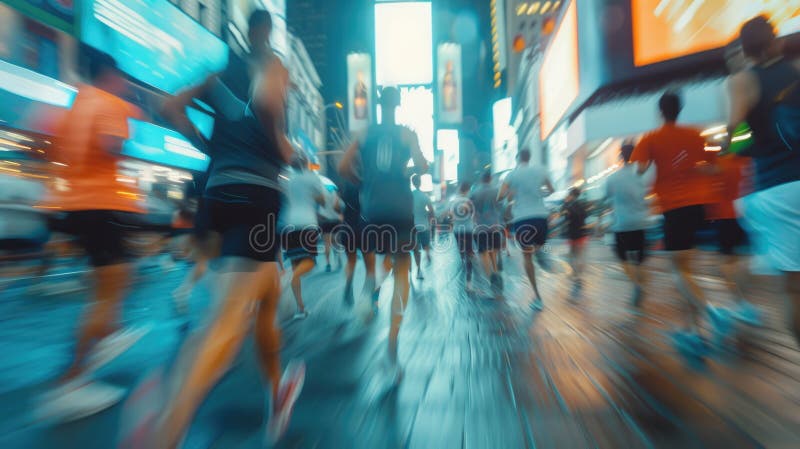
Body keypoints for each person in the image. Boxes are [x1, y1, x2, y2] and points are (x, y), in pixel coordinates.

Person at [154, 9, 303, 447]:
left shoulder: (217, 74)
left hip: (218, 194)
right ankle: (168, 426)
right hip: (254, 192)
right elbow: (269, 108)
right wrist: (284, 148)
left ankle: (276, 391)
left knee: (267, 293)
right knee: (228, 322)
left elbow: (168, 107)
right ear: (267, 32)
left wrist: (207, 145)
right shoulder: (273, 65)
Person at [39, 50, 150, 418]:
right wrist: (129, 120)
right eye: (121, 79)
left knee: (115, 279)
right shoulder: (109, 102)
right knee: (109, 288)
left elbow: (52, 149)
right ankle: (71, 381)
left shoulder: (75, 104)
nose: (124, 85)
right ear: (110, 75)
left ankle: (108, 333)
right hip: (100, 204)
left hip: (71, 205)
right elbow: (111, 145)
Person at [339, 86, 428, 382]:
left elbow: (342, 166)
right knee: (402, 273)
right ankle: (391, 348)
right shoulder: (407, 133)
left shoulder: (364, 133)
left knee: (378, 260)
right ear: (398, 103)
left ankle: (370, 291)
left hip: (373, 208)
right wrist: (409, 171)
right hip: (400, 207)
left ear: (378, 104)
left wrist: (362, 181)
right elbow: (424, 165)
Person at [631, 91, 730, 357]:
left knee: (680, 271)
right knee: (688, 269)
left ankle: (711, 311)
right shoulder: (699, 135)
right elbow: (715, 167)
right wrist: (693, 168)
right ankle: (692, 331)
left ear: (660, 112)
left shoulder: (650, 139)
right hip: (699, 206)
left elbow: (639, 170)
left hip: (674, 207)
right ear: (680, 109)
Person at [726, 15, 800, 345]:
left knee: (793, 288)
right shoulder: (796, 70)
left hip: (777, 187)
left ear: (746, 50)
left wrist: (747, 143)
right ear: (775, 41)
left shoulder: (742, 81)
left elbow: (735, 136)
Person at [498, 148, 554, 311]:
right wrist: (538, 193)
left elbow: (500, 197)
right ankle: (540, 250)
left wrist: (512, 194)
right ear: (529, 158)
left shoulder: (512, 175)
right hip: (540, 217)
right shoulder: (541, 170)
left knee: (526, 256)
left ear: (517, 159)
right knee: (538, 245)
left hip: (522, 219)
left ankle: (537, 297)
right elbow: (551, 190)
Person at [604, 142, 651, 306]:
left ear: (620, 156)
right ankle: (642, 284)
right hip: (641, 222)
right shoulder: (642, 175)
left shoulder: (613, 178)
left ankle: (637, 285)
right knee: (640, 259)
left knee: (623, 258)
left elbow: (608, 198)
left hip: (622, 224)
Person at [281, 158, 325, 320]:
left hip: (289, 224)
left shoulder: (288, 179)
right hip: (307, 223)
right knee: (310, 261)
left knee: (295, 267)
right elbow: (322, 200)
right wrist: (312, 195)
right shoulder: (312, 177)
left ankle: (300, 308)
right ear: (306, 164)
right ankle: (287, 279)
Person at [471, 170, 504, 291]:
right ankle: (495, 271)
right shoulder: (496, 191)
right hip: (494, 226)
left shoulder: (474, 193)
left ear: (481, 179)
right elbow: (501, 208)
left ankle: (491, 277)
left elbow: (471, 211)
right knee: (493, 251)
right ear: (490, 179)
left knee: (483, 253)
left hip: (480, 228)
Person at [561, 187, 589, 297]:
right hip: (582, 233)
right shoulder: (582, 205)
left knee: (572, 256)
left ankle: (576, 276)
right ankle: (578, 276)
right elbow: (585, 216)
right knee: (579, 256)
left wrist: (565, 207)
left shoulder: (568, 205)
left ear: (572, 195)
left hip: (573, 234)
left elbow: (566, 217)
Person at [450, 182, 476, 291]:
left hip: (457, 230)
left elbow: (451, 216)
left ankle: (462, 258)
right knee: (469, 253)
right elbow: (473, 215)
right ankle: (468, 283)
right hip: (469, 230)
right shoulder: (469, 201)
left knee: (462, 250)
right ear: (467, 190)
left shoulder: (454, 201)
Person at [411, 174, 434, 280]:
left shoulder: (409, 195)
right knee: (426, 244)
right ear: (419, 182)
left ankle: (419, 270)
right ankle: (428, 253)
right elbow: (431, 211)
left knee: (416, 250)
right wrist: (428, 216)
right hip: (424, 226)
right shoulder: (424, 196)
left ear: (412, 182)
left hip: (413, 227)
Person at [318, 184, 343, 272]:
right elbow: (338, 206)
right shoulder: (335, 192)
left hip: (325, 220)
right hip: (335, 219)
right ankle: (338, 258)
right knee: (336, 242)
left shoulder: (320, 193)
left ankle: (328, 264)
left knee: (327, 243)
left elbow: (319, 211)